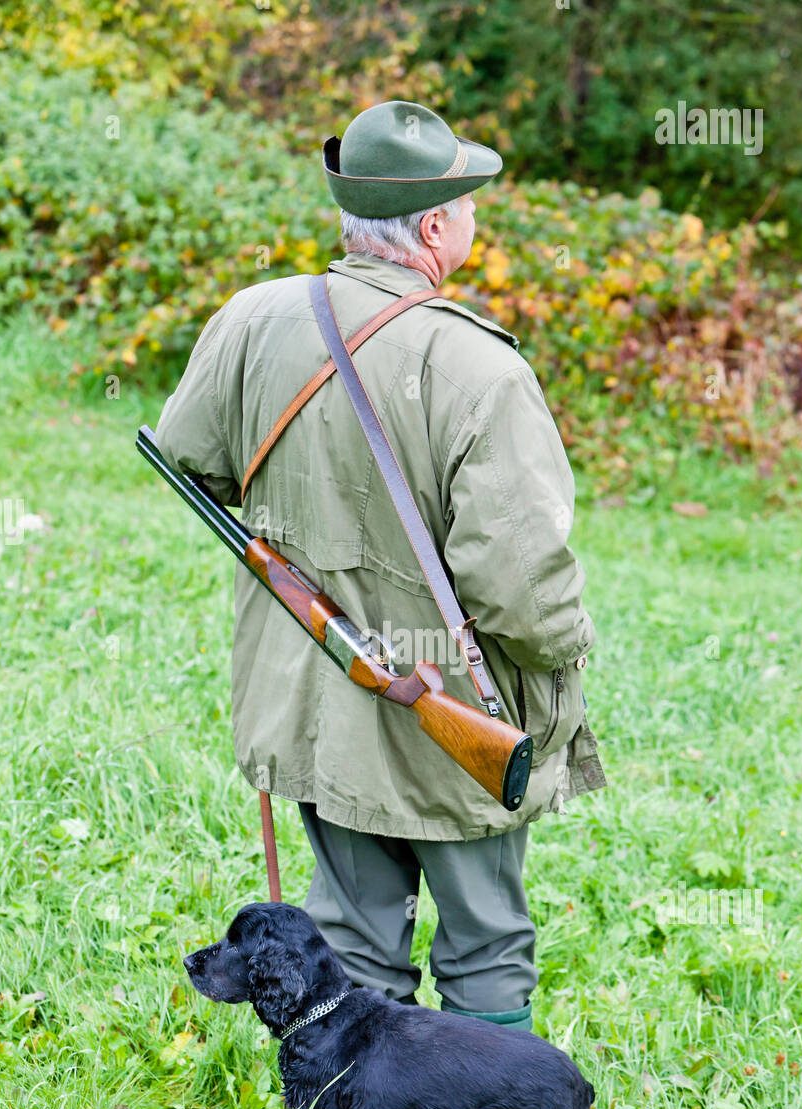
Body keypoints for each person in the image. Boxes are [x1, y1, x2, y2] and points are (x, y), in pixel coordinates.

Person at [156, 100, 605, 1032]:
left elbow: (192, 457)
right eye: (469, 202)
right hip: (453, 712)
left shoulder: (253, 316)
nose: (477, 217)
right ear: (434, 226)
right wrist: (567, 658)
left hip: (316, 697)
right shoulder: (480, 368)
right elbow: (520, 590)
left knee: (356, 930)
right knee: (483, 940)